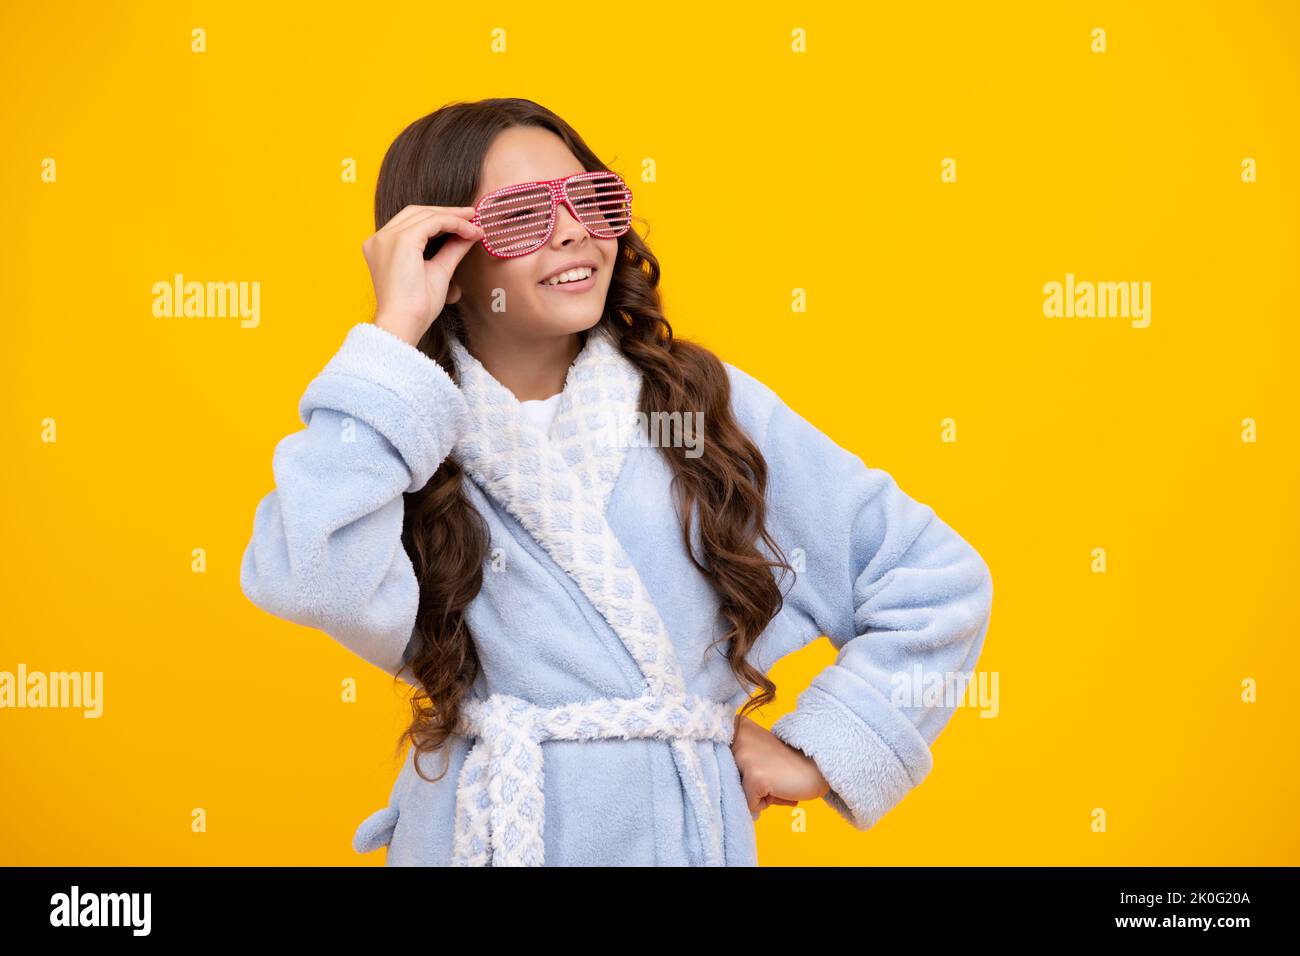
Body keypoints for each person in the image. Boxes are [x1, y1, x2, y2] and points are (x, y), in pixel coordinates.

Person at [238, 97, 994, 866]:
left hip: (671, 835)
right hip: (482, 833)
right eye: (523, 214)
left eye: (590, 199)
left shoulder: (700, 408)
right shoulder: (404, 430)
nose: (572, 230)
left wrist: (822, 751)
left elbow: (932, 578)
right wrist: (392, 334)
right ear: (443, 259)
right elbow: (312, 576)